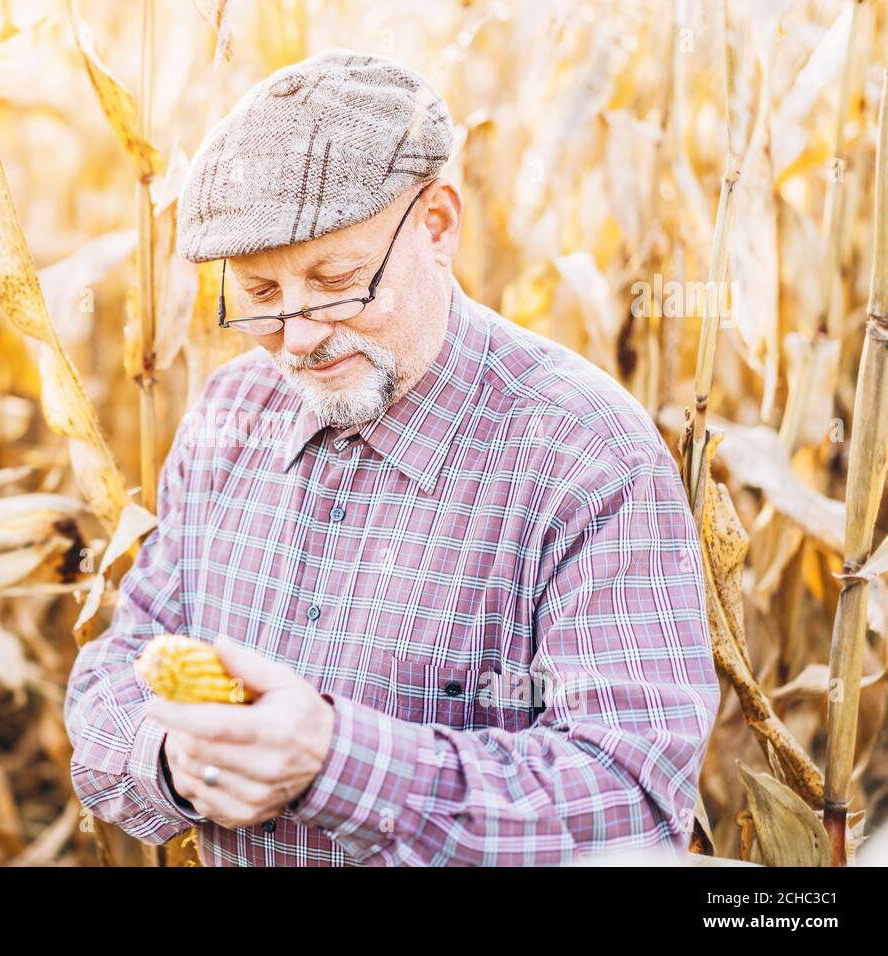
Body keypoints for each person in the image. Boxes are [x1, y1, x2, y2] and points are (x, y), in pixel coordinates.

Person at [63, 48, 720, 866]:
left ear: (439, 224)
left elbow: (629, 807)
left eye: (336, 279)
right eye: (261, 297)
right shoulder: (231, 414)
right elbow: (116, 672)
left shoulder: (585, 456)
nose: (297, 339)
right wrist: (167, 758)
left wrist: (334, 761)